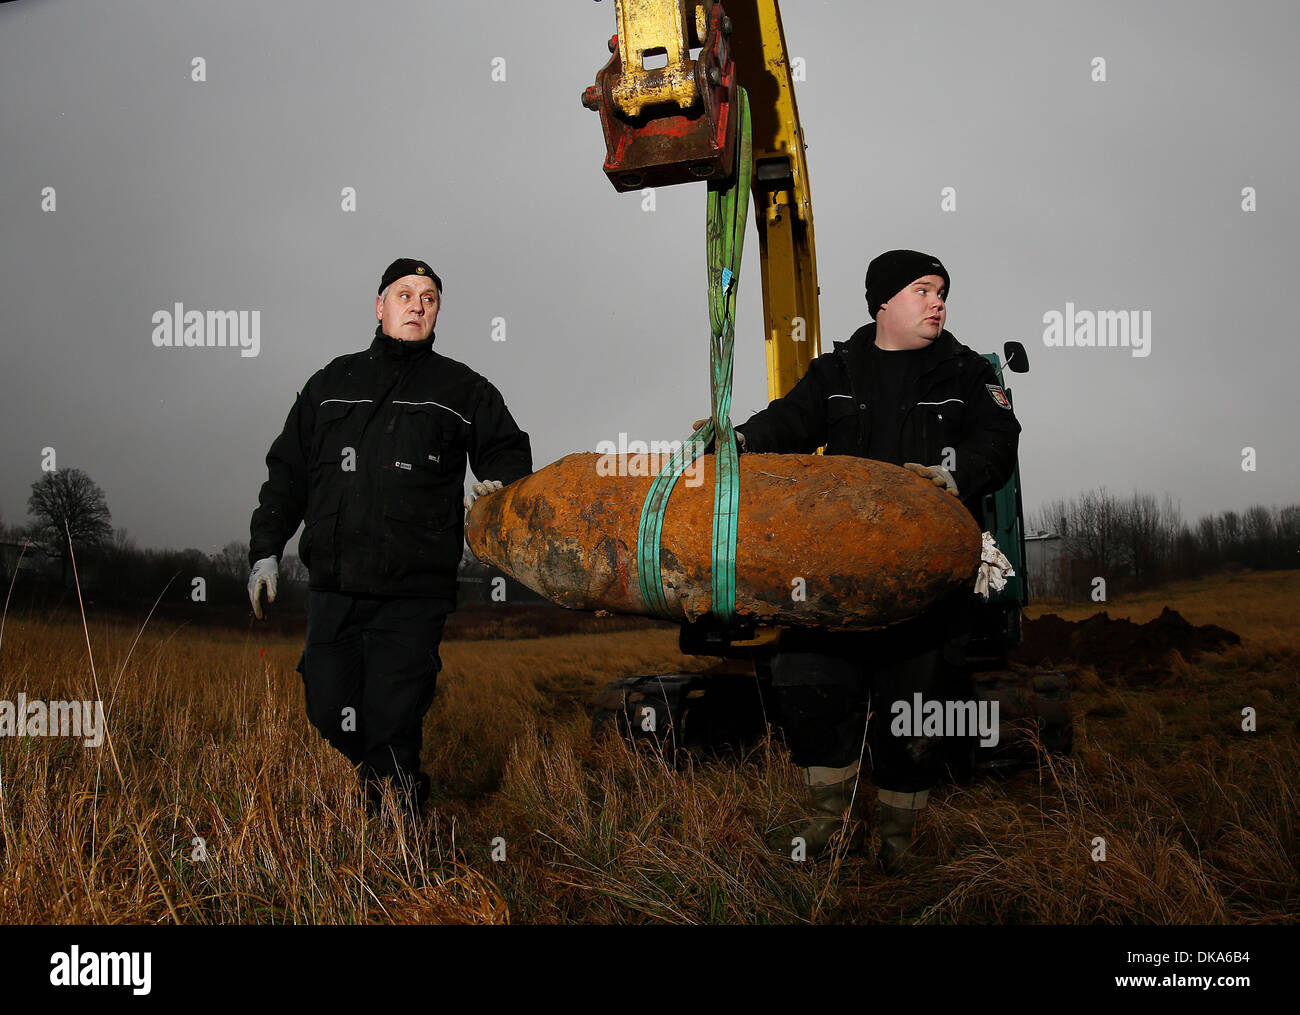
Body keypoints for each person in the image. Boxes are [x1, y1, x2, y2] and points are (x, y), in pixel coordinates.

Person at [731, 249, 1021, 871]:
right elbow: (789, 421)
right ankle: (827, 822)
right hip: (838, 574)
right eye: (923, 290)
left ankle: (898, 839)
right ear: (883, 301)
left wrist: (953, 477)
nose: (938, 302)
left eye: (942, 292)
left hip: (924, 580)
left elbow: (998, 443)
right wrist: (739, 441)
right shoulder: (836, 370)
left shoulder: (969, 373)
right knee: (812, 683)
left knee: (916, 704)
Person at [246, 258, 532, 817]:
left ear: (437, 312)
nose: (417, 304)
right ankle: (386, 780)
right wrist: (265, 552)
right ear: (380, 306)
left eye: (429, 297)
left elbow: (508, 450)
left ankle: (399, 827)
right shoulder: (331, 384)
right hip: (334, 584)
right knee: (328, 708)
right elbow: (288, 473)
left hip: (414, 591)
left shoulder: (462, 388)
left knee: (394, 715)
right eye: (405, 294)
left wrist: (499, 488)